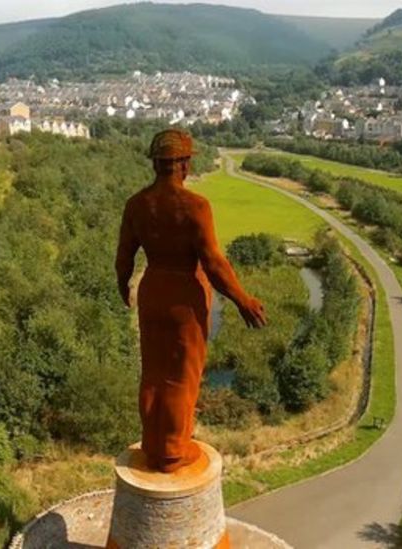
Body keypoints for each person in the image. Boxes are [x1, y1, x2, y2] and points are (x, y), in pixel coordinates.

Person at [115, 128, 267, 473]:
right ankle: (173, 450)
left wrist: (123, 285)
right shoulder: (195, 207)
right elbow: (213, 262)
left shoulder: (137, 205)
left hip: (152, 292)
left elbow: (124, 256)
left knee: (152, 374)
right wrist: (243, 299)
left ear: (155, 164)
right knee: (182, 377)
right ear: (183, 164)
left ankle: (153, 444)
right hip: (186, 294)